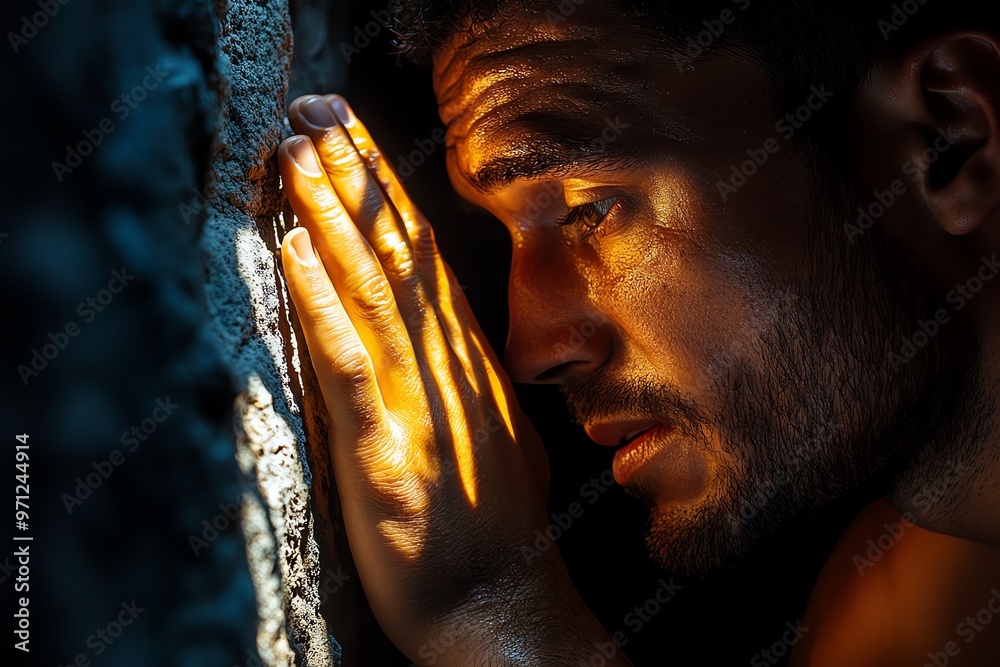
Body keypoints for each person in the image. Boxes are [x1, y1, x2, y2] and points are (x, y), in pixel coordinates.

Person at [275, 1, 1000, 663]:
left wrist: (496, 612)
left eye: (592, 209)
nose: (530, 349)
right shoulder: (913, 608)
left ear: (949, 137)